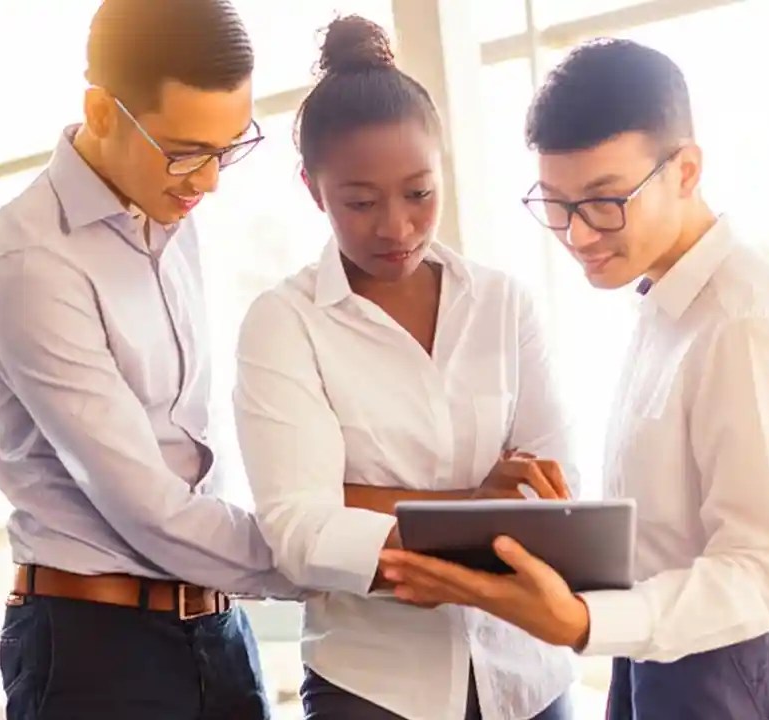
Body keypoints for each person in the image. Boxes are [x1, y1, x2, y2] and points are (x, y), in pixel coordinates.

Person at [378, 38, 769, 719]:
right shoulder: (665, 308)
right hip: (667, 655)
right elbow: (672, 535)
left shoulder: (748, 324)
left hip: (746, 659)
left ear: (685, 170)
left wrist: (576, 623)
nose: (576, 234)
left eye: (603, 201)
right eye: (555, 204)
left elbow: (754, 573)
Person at [232, 16, 579, 720]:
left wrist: (365, 502)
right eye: (360, 202)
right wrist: (475, 506)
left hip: (530, 681)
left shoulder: (504, 305)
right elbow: (300, 535)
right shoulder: (284, 323)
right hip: (374, 689)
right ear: (312, 188)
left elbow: (554, 505)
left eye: (419, 192)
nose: (396, 227)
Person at [0, 1, 299, 718]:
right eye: (185, 150)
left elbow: (192, 454)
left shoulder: (168, 213)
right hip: (97, 650)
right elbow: (148, 507)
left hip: (217, 627)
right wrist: (325, 556)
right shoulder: (34, 261)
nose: (207, 181)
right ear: (102, 111)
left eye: (227, 148)